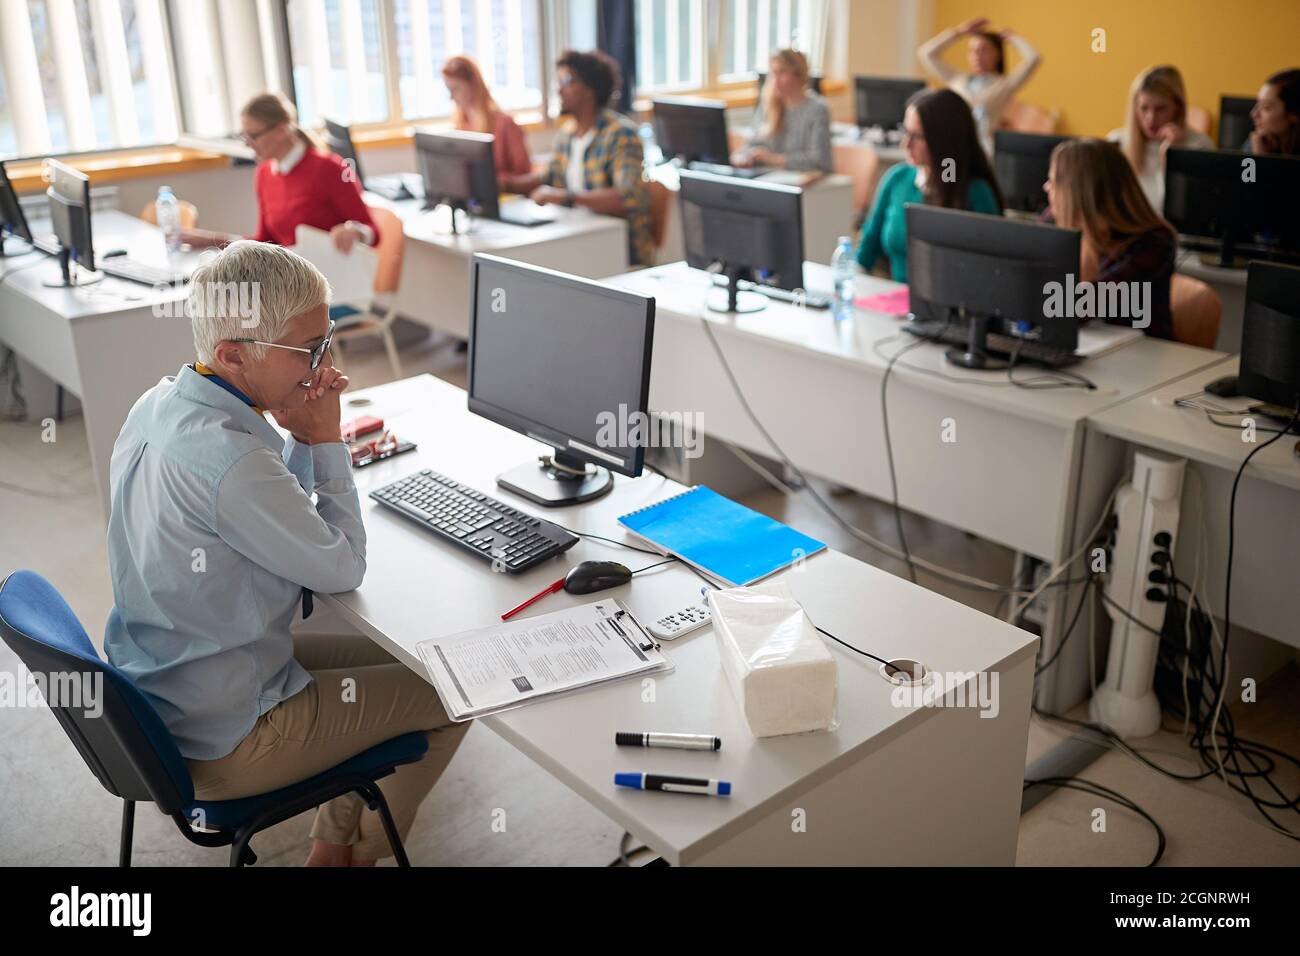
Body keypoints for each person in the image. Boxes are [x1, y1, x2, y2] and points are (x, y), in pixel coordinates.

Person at [104, 241, 469, 865]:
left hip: (171, 683)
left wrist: (300, 430)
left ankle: (329, 849)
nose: (325, 363)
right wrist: (326, 438)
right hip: (227, 735)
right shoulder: (234, 458)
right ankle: (362, 856)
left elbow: (271, 511)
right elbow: (342, 565)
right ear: (232, 354)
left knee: (408, 655)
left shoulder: (163, 404)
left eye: (325, 341)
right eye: (309, 350)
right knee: (459, 691)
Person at [503, 49, 653, 267]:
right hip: (578, 241)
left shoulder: (621, 134)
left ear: (589, 89)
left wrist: (566, 197)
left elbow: (627, 198)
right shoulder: (567, 134)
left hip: (618, 251)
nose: (559, 90)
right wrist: (504, 185)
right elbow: (546, 179)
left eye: (567, 82)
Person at [181, 92, 379, 254]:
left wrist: (355, 232)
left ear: (282, 130)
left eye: (253, 136)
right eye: (244, 136)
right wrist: (211, 240)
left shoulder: (330, 168)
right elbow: (265, 241)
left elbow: (373, 232)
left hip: (329, 282)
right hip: (291, 282)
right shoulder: (265, 173)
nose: (248, 144)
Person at [856, 89, 1003, 282]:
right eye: (905, 132)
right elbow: (865, 252)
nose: (905, 144)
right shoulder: (896, 178)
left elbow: (993, 273)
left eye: (917, 136)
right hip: (896, 302)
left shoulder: (976, 193)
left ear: (944, 140)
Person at [1044, 138, 1177, 341]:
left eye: (1054, 181)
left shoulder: (1154, 243)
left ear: (1081, 191)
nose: (1046, 187)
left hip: (1142, 359)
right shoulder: (1055, 220)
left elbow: (1079, 305)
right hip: (1090, 349)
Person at [918, 16, 1041, 155]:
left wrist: (1012, 38)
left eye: (984, 50)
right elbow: (926, 54)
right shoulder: (957, 79)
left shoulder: (1004, 85)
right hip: (953, 146)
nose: (977, 55)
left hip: (984, 153)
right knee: (948, 174)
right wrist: (958, 32)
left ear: (998, 54)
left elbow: (1034, 58)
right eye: (972, 51)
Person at [1106, 65, 1212, 212]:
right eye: (1144, 108)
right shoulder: (1117, 141)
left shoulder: (1200, 146)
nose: (1151, 118)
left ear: (1178, 107)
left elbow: (1182, 211)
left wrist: (1174, 159)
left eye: (1160, 109)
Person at [731, 48, 832, 173]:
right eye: (773, 73)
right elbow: (750, 144)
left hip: (802, 181)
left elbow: (819, 161)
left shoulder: (817, 109)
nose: (775, 80)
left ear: (799, 75)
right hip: (770, 177)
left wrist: (773, 159)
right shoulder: (768, 105)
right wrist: (744, 156)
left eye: (782, 73)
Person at [442, 54, 532, 182]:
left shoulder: (505, 124)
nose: (451, 97)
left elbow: (525, 175)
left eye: (455, 89)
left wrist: (494, 181)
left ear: (473, 84)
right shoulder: (461, 126)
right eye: (448, 90)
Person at [1246, 68, 1300, 154]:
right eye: (1258, 105)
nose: (1254, 114)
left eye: (1266, 107)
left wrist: (1261, 158)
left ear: (1294, 114)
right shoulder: (1256, 142)